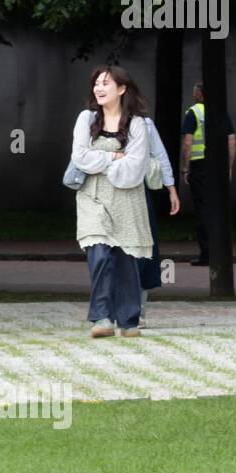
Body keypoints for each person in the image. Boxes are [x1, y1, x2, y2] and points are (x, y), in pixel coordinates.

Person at [70, 67, 154, 337]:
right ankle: (102, 318)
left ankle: (129, 320)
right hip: (91, 196)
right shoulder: (86, 119)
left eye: (106, 83)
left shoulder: (138, 123)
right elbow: (80, 157)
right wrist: (114, 157)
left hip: (126, 198)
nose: (99, 88)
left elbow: (134, 169)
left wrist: (100, 159)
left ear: (122, 89)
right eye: (96, 83)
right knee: (100, 254)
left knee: (125, 257)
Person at [179, 82, 236, 266]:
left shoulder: (193, 112)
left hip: (200, 166)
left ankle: (207, 255)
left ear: (199, 94)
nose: (193, 94)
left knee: (203, 210)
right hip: (219, 166)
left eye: (195, 91)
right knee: (218, 209)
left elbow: (188, 143)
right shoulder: (221, 112)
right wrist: (229, 167)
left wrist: (185, 167)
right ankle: (222, 253)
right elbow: (232, 141)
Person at [136, 114, 181, 326]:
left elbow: (160, 154)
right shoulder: (94, 119)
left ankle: (139, 310)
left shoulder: (143, 123)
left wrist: (171, 187)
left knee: (145, 249)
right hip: (109, 193)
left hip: (138, 192)